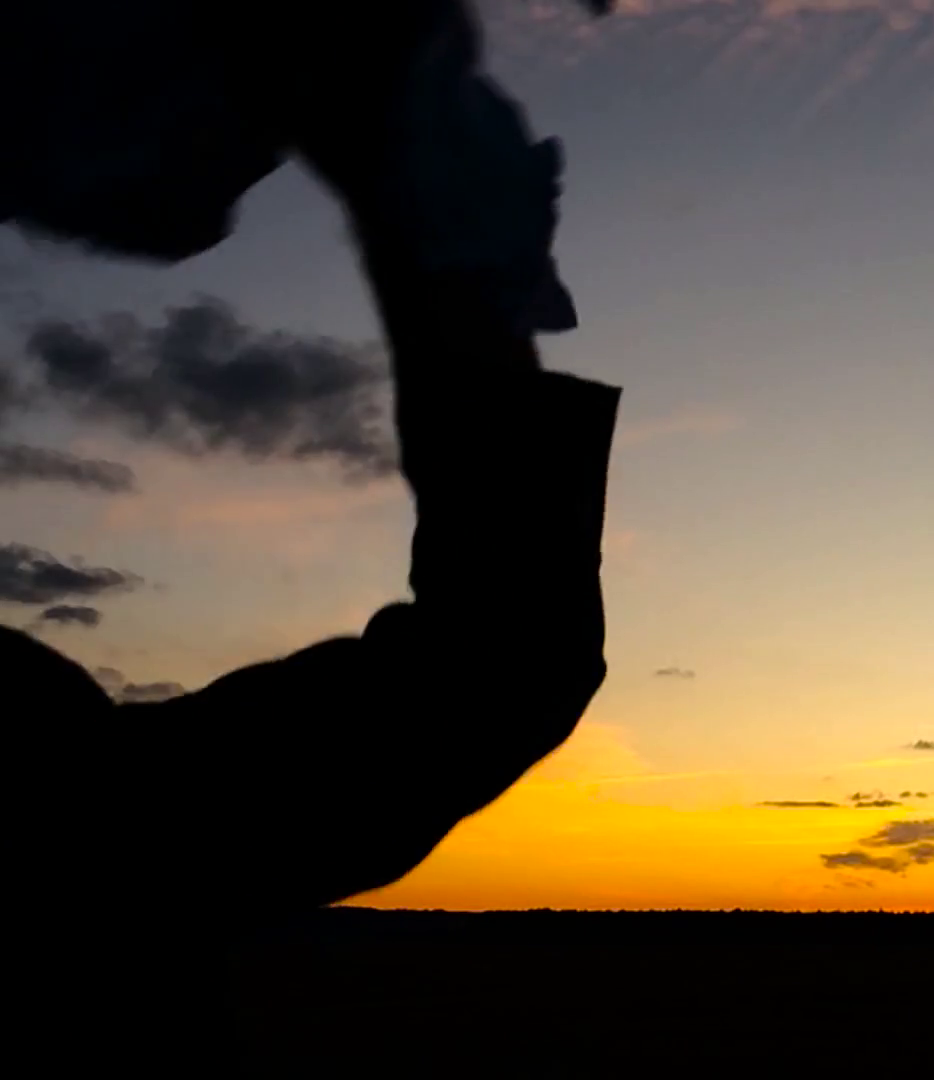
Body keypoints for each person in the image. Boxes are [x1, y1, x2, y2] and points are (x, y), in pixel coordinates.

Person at [4, 0, 620, 912]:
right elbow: (495, 671)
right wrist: (431, 232)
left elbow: (494, 672)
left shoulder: (62, 795)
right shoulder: (73, 821)